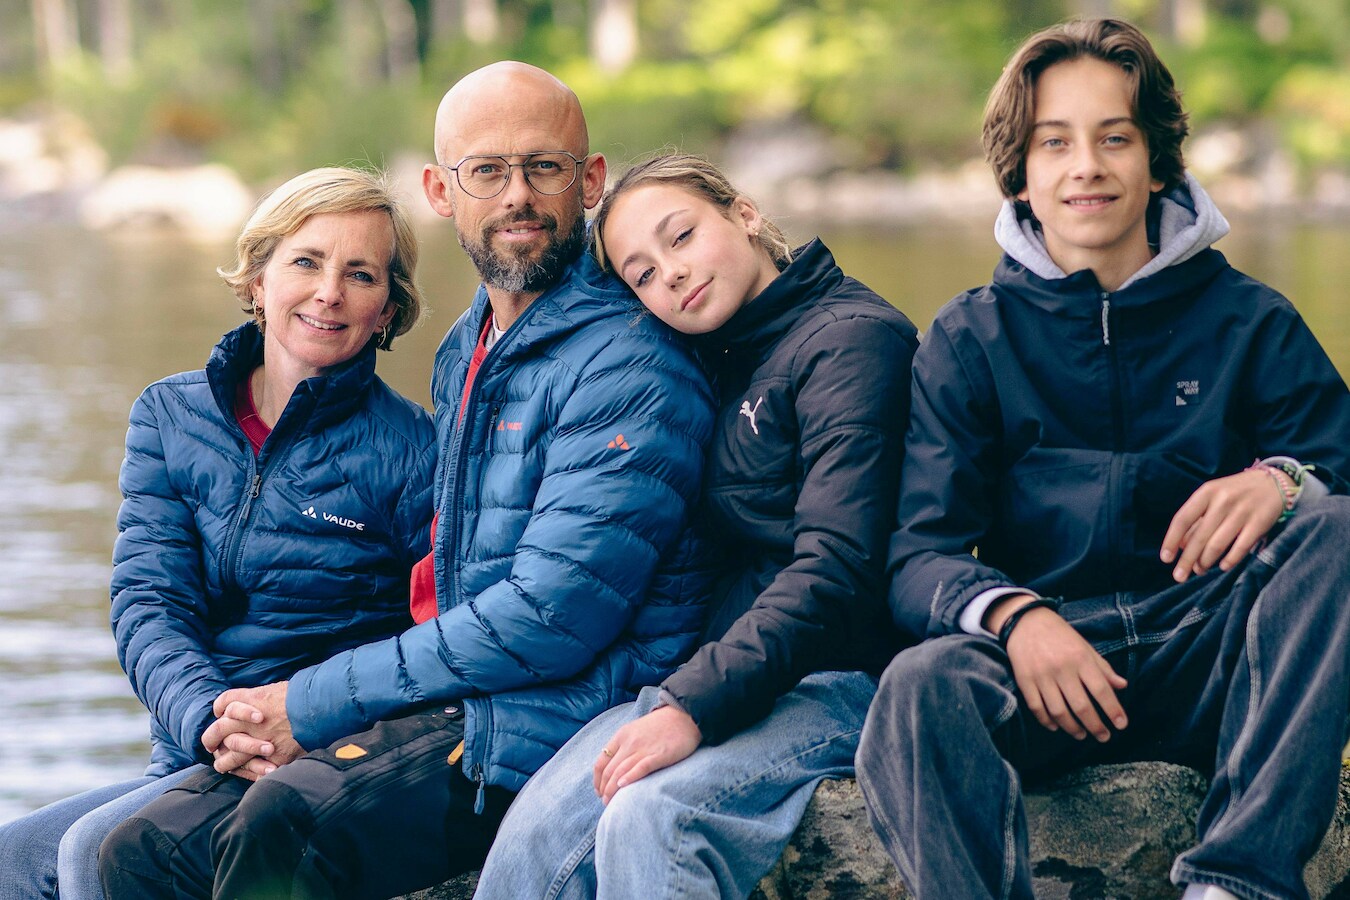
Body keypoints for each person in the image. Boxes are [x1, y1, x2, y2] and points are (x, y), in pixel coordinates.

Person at [99, 63, 714, 900]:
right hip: (465, 696)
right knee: (144, 852)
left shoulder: (630, 362)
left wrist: (309, 705)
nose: (517, 195)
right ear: (441, 191)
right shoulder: (468, 347)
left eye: (544, 167)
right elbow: (149, 599)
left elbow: (552, 615)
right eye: (487, 170)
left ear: (591, 180)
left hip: (559, 714)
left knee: (289, 824)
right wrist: (240, 716)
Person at [856, 17, 1350, 900]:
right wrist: (1017, 618)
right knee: (920, 683)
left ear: (1157, 163)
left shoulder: (1251, 320)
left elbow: (1337, 462)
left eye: (1115, 138)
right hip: (1052, 669)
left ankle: (1234, 881)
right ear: (1020, 174)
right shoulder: (969, 339)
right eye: (1055, 143)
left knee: (1340, 531)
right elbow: (918, 553)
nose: (1087, 166)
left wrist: (1284, 482)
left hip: (1212, 647)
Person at [472, 154, 919, 900]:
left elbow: (839, 566)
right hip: (733, 674)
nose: (672, 275)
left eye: (680, 237)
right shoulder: (720, 356)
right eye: (643, 275)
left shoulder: (852, 342)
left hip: (849, 677)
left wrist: (691, 707)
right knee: (537, 832)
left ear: (744, 213)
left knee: (653, 815)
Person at [0, 166, 435, 900]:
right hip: (196, 743)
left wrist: (298, 717)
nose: (329, 292)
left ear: (387, 311)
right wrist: (208, 718)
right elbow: (148, 602)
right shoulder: (170, 416)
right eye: (306, 262)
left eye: (360, 274)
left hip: (312, 759)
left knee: (86, 855)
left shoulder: (415, 451)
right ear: (258, 280)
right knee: (14, 857)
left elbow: (431, 638)